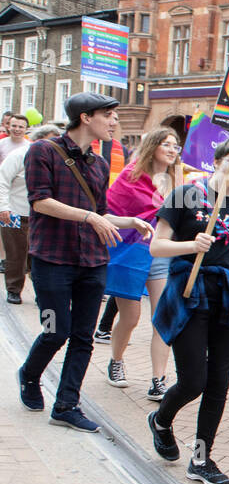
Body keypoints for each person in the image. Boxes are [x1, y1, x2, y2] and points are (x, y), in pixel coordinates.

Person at [18, 93, 153, 432]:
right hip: (52, 258)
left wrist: (129, 221)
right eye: (109, 115)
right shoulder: (43, 151)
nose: (114, 122)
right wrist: (90, 218)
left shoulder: (99, 164)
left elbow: (100, 212)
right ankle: (30, 374)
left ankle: (66, 404)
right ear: (85, 117)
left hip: (92, 260)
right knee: (55, 331)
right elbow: (41, 202)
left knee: (83, 336)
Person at [146, 139, 229, 484]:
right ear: (216, 162)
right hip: (190, 296)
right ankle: (162, 420)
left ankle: (202, 456)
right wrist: (190, 245)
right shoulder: (185, 195)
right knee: (194, 380)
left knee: (219, 383)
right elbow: (157, 245)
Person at [103, 127, 185, 397]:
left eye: (176, 146)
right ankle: (116, 361)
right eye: (167, 144)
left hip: (161, 254)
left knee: (161, 317)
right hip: (131, 253)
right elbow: (108, 211)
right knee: (130, 316)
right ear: (153, 146)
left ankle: (157, 379)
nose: (172, 150)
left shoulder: (178, 180)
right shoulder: (130, 175)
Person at [0, 123, 59, 304]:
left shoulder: (54, 159)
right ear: (37, 139)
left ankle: (41, 292)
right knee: (16, 254)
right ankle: (14, 290)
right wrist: (3, 207)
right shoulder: (19, 155)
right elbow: (2, 180)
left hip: (40, 214)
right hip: (14, 212)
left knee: (39, 256)